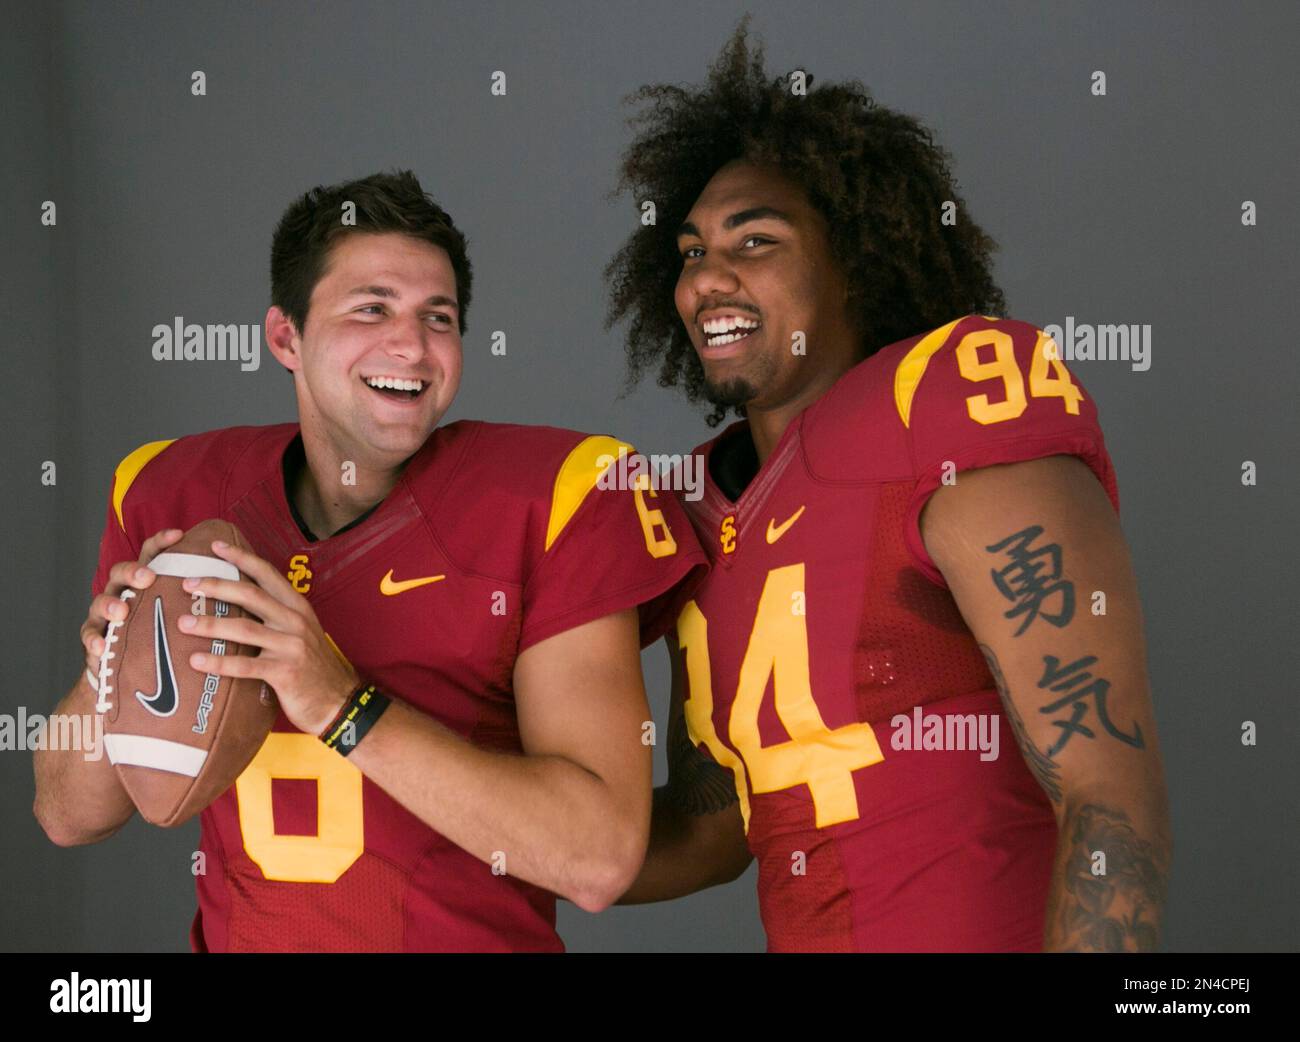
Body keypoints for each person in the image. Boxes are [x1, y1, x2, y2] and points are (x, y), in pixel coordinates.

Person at [34, 169, 705, 952]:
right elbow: (67, 817)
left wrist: (341, 704)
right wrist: (111, 664)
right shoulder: (170, 497)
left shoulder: (555, 498)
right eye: (371, 309)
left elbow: (596, 859)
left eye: (439, 317)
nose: (412, 346)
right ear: (286, 337)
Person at [610, 24, 1171, 951]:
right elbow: (711, 830)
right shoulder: (698, 514)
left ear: (856, 262)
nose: (709, 276)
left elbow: (1109, 793)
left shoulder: (949, 405)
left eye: (756, 241)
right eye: (691, 250)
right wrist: (458, 818)